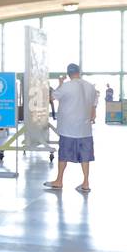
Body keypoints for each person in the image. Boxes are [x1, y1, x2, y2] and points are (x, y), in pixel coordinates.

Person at [45, 63, 98, 194]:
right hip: (85, 129)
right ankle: (86, 183)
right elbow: (94, 106)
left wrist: (60, 83)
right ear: (79, 72)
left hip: (68, 128)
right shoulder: (90, 86)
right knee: (85, 156)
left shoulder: (66, 86)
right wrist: (91, 117)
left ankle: (59, 180)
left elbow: (50, 98)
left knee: (63, 154)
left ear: (68, 74)